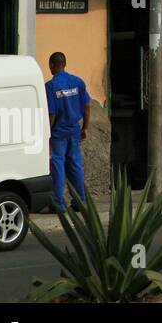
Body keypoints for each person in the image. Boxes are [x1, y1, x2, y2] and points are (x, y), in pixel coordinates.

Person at [44, 51, 91, 211]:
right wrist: (85, 127)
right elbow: (87, 106)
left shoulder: (50, 87)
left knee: (58, 164)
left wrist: (47, 133)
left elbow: (52, 113)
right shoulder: (78, 82)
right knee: (75, 165)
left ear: (51, 65)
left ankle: (59, 203)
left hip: (58, 132)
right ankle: (80, 201)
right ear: (65, 64)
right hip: (74, 129)